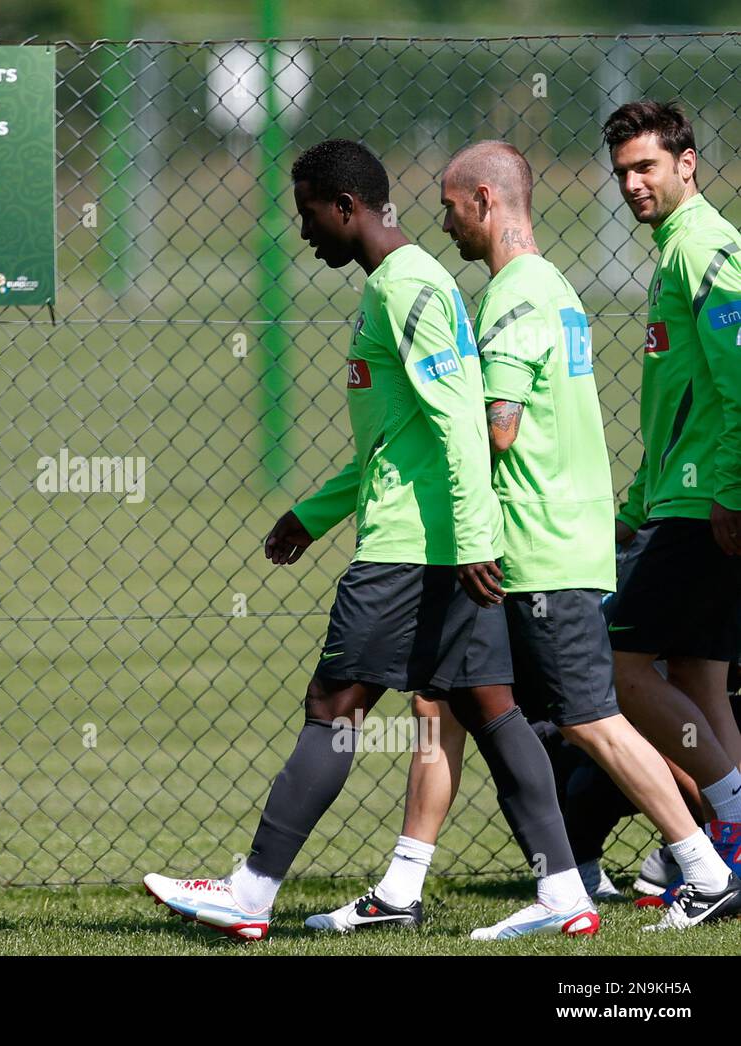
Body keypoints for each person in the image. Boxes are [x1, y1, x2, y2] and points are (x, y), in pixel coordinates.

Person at [142, 139, 596, 941]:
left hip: (415, 549)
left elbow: (461, 419)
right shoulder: (396, 284)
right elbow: (397, 441)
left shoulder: (409, 288)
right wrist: (314, 515)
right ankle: (563, 889)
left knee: (335, 707)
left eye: (310, 212)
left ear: (346, 208)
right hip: (441, 543)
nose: (304, 230)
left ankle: (249, 896)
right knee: (491, 709)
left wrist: (469, 539)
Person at [302, 140, 740, 934]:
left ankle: (703, 864)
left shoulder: (515, 294)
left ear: (484, 202)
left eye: (448, 206)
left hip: (535, 550)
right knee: (447, 704)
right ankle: (429, 890)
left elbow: (497, 431)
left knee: (592, 718)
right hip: (533, 545)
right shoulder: (548, 288)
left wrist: (426, 420)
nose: (442, 223)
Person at [600, 100, 741, 927]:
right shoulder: (673, 253)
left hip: (704, 502)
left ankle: (728, 822)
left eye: (646, 166)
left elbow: (736, 377)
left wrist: (728, 489)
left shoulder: (706, 248)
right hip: (680, 495)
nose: (631, 183)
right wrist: (632, 506)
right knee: (698, 678)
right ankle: (732, 849)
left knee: (619, 669)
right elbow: (674, 403)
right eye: (622, 170)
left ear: (688, 164)